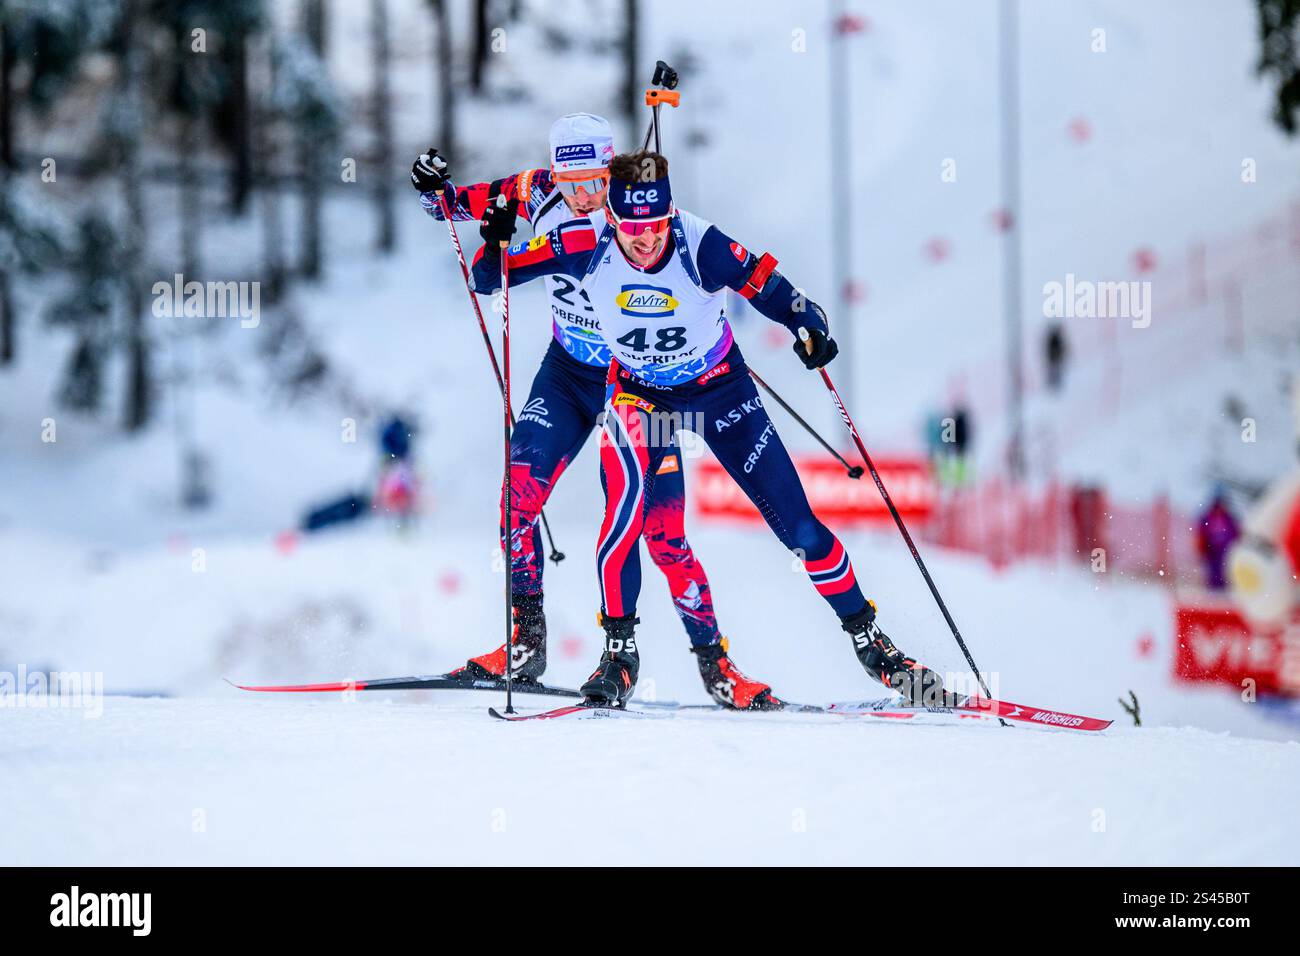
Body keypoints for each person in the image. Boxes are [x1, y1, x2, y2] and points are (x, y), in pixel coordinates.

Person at [469, 149, 946, 707]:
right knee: (624, 513)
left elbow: (771, 286)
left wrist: (806, 322)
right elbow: (488, 278)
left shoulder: (700, 244)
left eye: (657, 227)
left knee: (800, 529)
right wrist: (497, 239)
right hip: (639, 395)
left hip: (721, 392)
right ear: (612, 222)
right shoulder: (583, 243)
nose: (647, 242)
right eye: (632, 231)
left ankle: (873, 644)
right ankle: (620, 654)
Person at [411, 116, 778, 709]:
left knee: (662, 537)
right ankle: (527, 644)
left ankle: (717, 667)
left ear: (612, 172)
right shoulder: (535, 192)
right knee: (517, 496)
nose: (583, 197)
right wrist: (435, 190)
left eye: (595, 182)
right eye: (570, 182)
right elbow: (454, 208)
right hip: (567, 374)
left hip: (631, 384)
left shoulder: (633, 224)